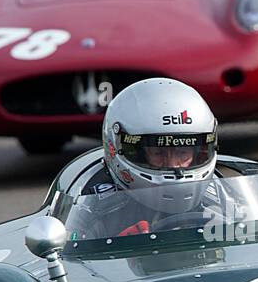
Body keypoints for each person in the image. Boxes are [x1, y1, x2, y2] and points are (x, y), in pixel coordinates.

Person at [81, 78, 223, 237]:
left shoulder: (225, 197)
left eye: (183, 153)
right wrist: (114, 248)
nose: (174, 165)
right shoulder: (91, 207)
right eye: (158, 153)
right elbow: (67, 253)